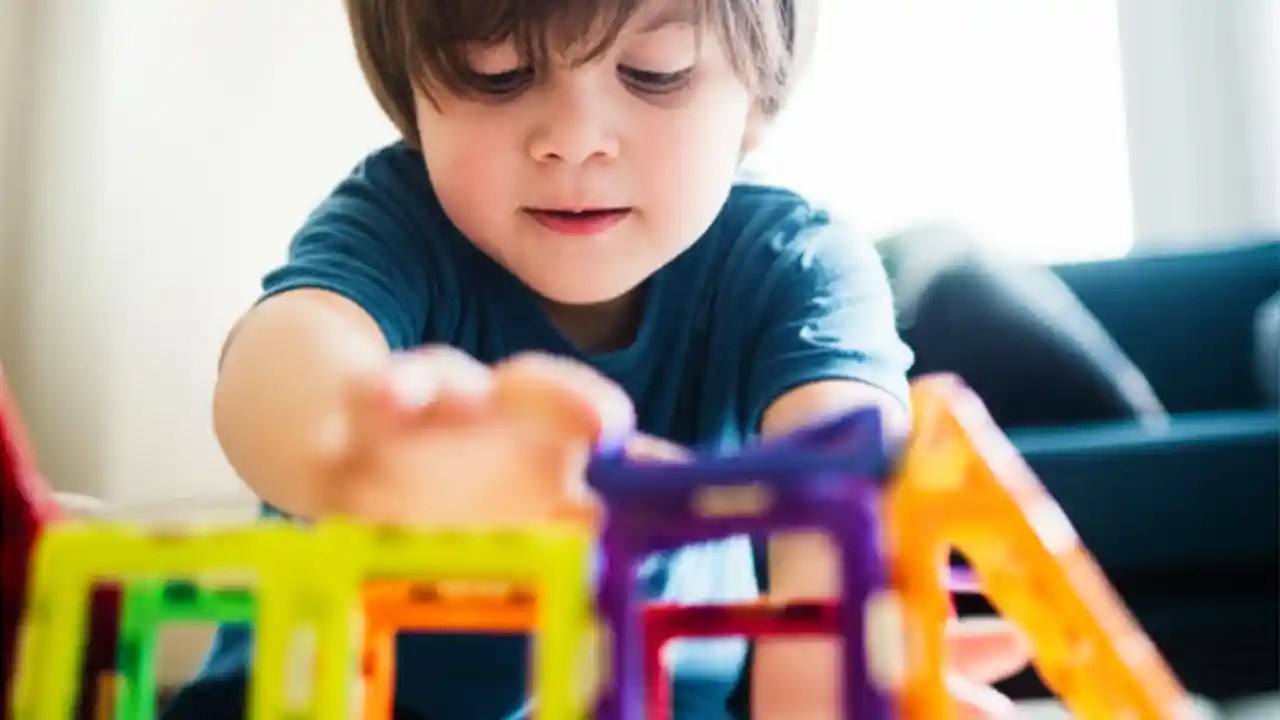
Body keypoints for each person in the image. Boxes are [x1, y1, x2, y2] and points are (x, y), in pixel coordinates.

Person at [165, 0, 1027, 717]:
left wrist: (843, 659)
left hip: (654, 696)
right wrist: (368, 449)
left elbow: (843, 471)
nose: (574, 141)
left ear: (756, 98)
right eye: (494, 73)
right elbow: (280, 358)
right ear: (411, 99)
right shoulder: (396, 221)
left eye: (656, 70)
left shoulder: (796, 263)